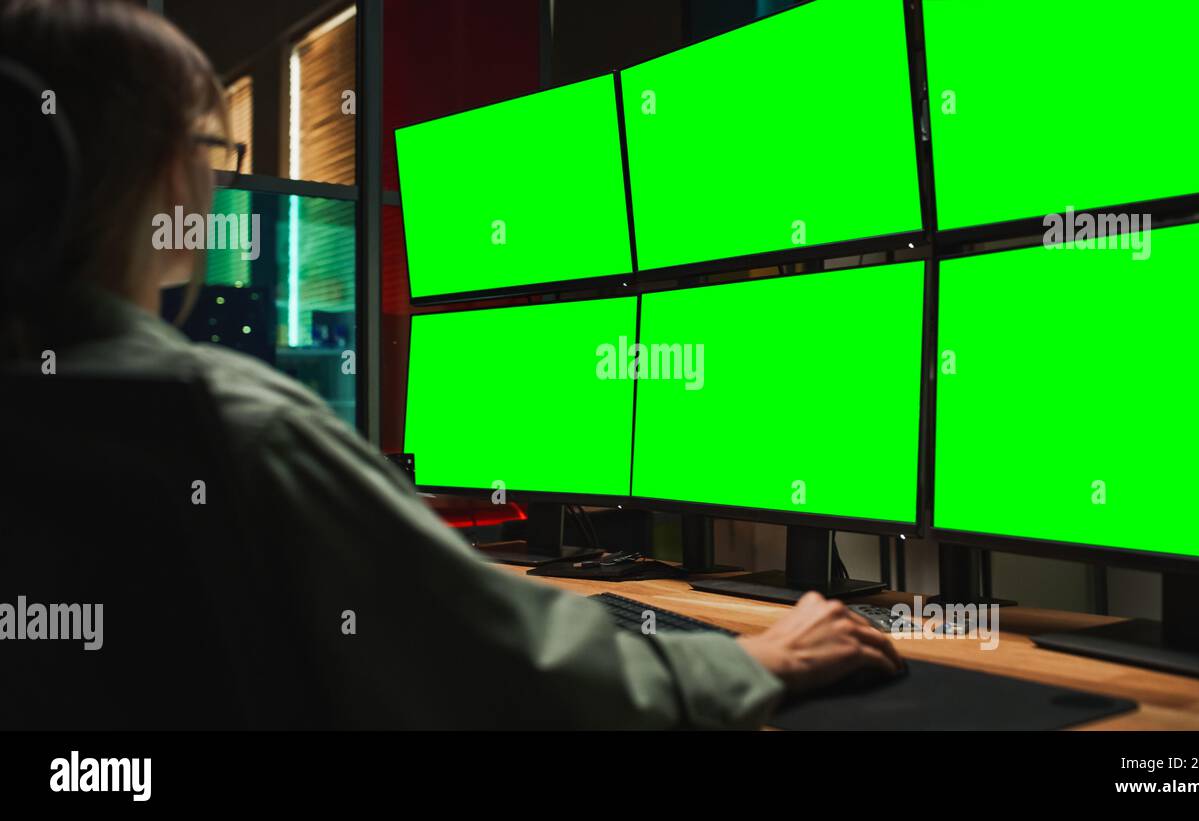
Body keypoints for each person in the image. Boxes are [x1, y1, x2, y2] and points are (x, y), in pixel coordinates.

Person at [0, 0, 902, 729]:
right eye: (211, 153)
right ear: (167, 176)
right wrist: (752, 659)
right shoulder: (234, 428)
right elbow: (510, 675)